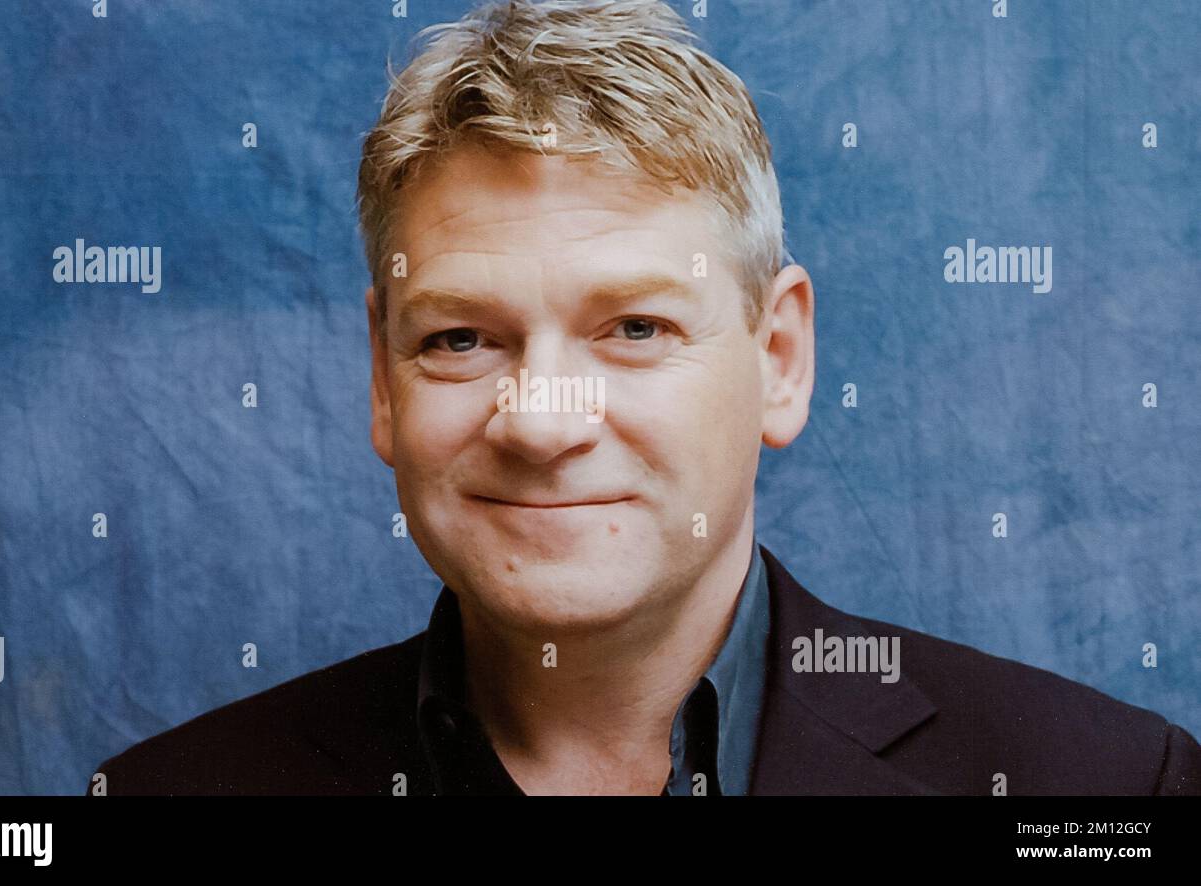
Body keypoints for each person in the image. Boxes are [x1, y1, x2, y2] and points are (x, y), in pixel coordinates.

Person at [88, 0, 1201, 796]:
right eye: (461, 338)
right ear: (384, 381)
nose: (543, 419)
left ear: (779, 356)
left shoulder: (1103, 787)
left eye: (634, 329)